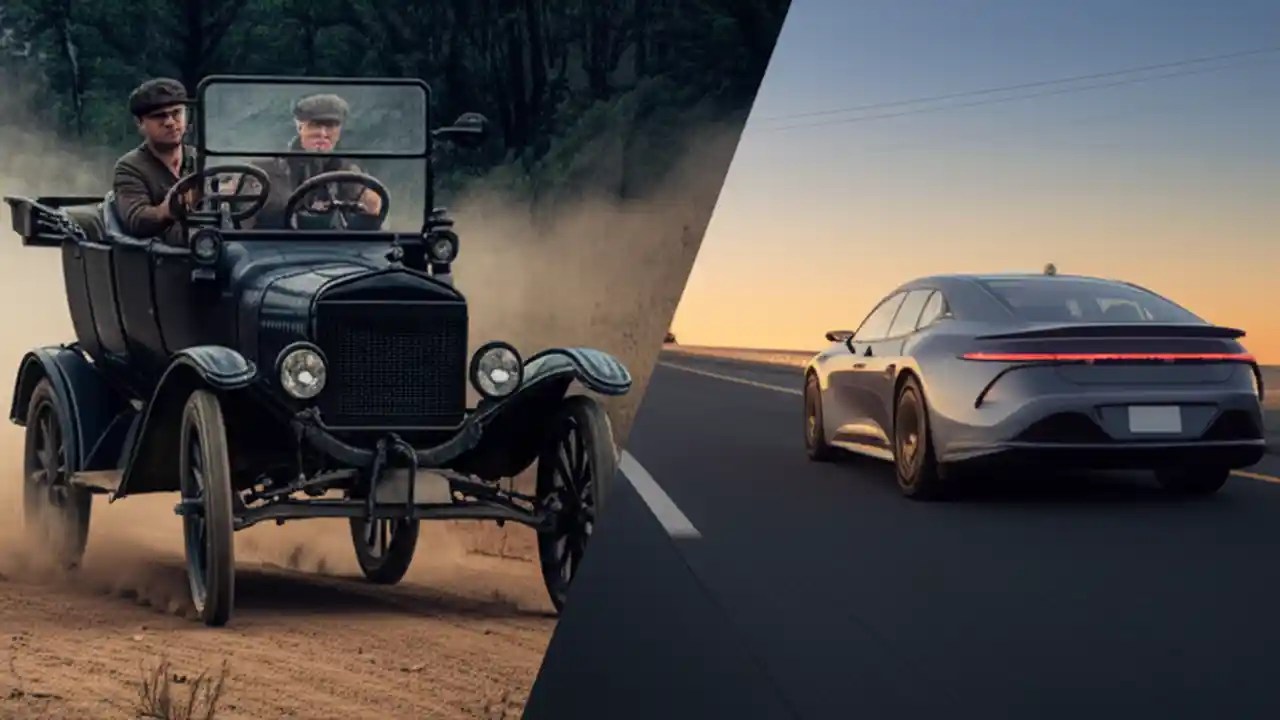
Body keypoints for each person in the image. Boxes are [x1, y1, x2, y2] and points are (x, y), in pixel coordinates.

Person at [243, 93, 383, 229]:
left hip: (337, 247)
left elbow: (373, 218)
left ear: (339, 131)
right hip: (279, 245)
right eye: (315, 125)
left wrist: (370, 203)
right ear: (300, 127)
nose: (323, 133)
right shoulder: (268, 169)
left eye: (330, 126)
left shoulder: (352, 172)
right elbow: (245, 223)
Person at [110, 77, 198, 245]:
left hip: (213, 247)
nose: (170, 123)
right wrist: (170, 209)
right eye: (159, 116)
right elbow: (136, 220)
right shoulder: (130, 168)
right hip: (165, 259)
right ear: (140, 123)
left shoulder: (202, 159)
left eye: (176, 113)